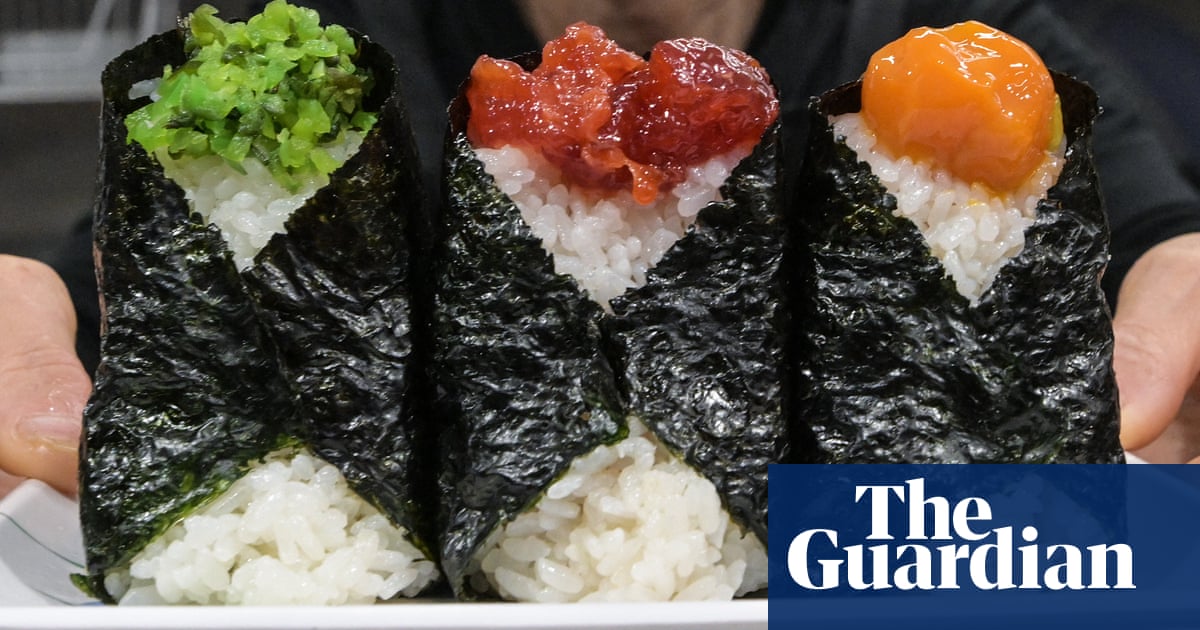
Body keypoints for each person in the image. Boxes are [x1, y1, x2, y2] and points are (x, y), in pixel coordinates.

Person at [3, 0, 1200, 499]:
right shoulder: (327, 32)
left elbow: (1162, 237)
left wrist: (1176, 299)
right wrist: (30, 316)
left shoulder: (959, 36)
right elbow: (101, 286)